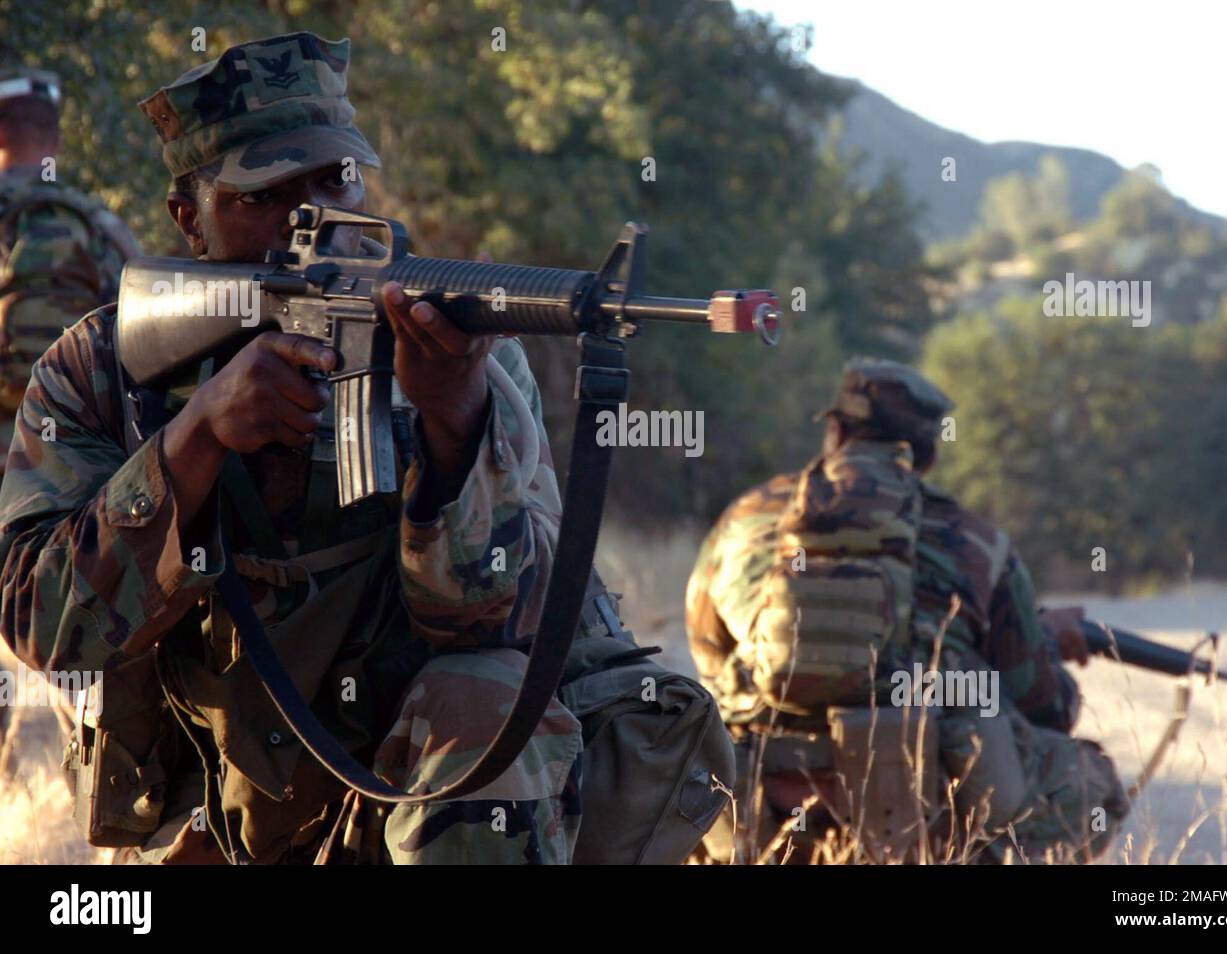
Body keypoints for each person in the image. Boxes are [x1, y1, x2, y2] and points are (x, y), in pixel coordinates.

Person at [0, 33, 599, 865]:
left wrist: (454, 426)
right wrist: (193, 440)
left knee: (492, 700)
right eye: (269, 193)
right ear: (189, 220)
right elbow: (44, 629)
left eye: (334, 179)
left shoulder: (459, 349)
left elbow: (511, 620)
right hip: (198, 822)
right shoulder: (101, 370)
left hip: (397, 803)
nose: (313, 219)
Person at [686, 357, 1128, 863]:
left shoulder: (743, 521)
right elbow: (1045, 707)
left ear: (834, 430)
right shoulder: (977, 540)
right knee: (1095, 783)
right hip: (926, 816)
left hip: (762, 809)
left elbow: (711, 661)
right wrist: (1046, 642)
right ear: (928, 455)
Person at [0, 66, 139, 756]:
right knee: (70, 628)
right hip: (74, 462)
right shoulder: (98, 224)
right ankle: (91, 773)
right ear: (54, 140)